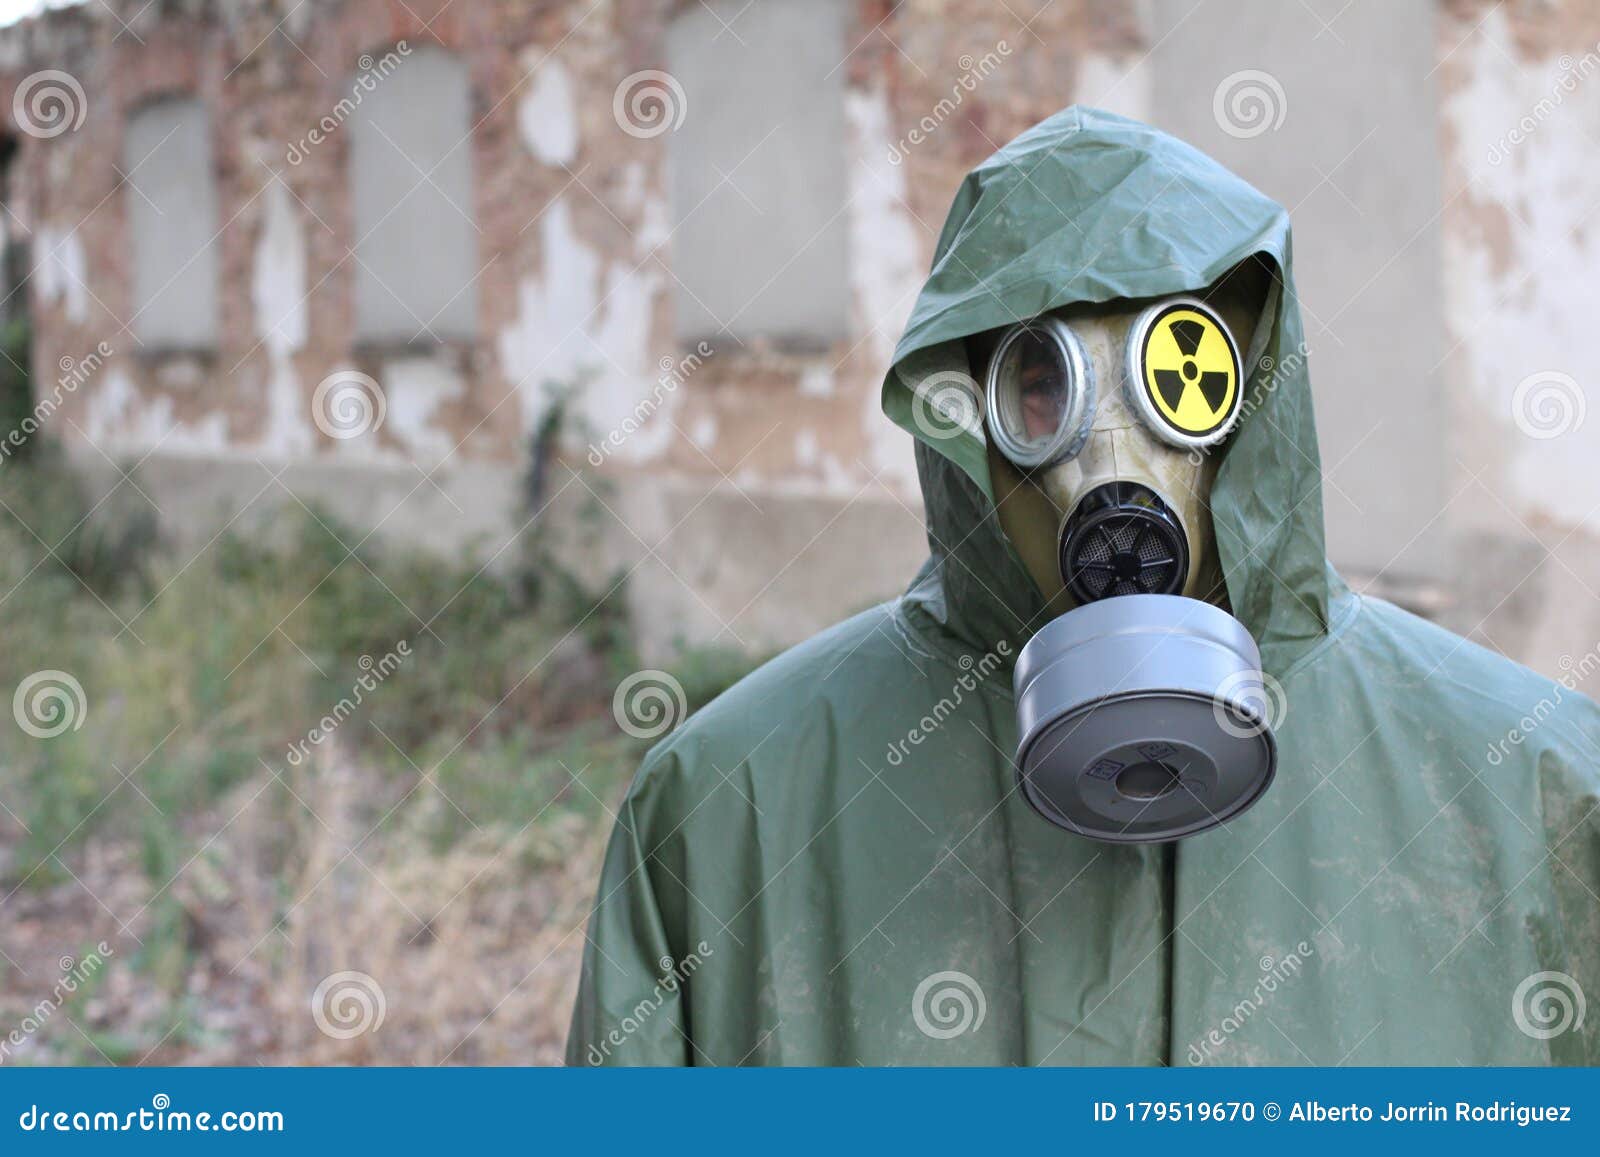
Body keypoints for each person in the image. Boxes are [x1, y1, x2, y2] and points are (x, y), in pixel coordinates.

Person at [567, 107, 1600, 1065]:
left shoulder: (1538, 790)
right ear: (965, 416)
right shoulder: (727, 810)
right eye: (1041, 388)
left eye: (1176, 377)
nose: (1110, 458)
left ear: (1256, 387)